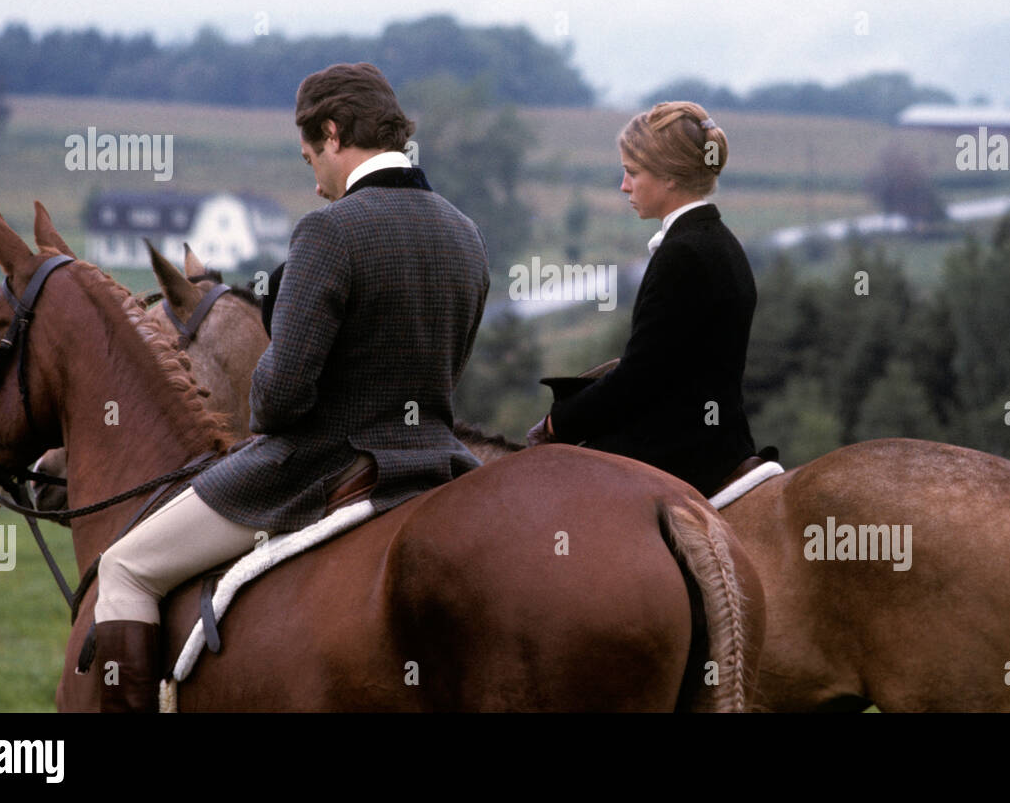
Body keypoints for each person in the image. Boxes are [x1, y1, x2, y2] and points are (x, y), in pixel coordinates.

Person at [93, 63, 490, 712]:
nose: (315, 180)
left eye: (312, 157)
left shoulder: (328, 231)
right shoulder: (464, 233)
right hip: (441, 463)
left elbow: (278, 401)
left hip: (319, 469)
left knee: (125, 569)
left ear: (333, 132)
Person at [529, 101, 757, 496]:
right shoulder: (721, 241)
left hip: (680, 451)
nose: (624, 185)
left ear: (669, 176)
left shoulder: (683, 253)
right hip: (719, 439)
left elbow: (641, 377)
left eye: (633, 172)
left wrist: (559, 421)